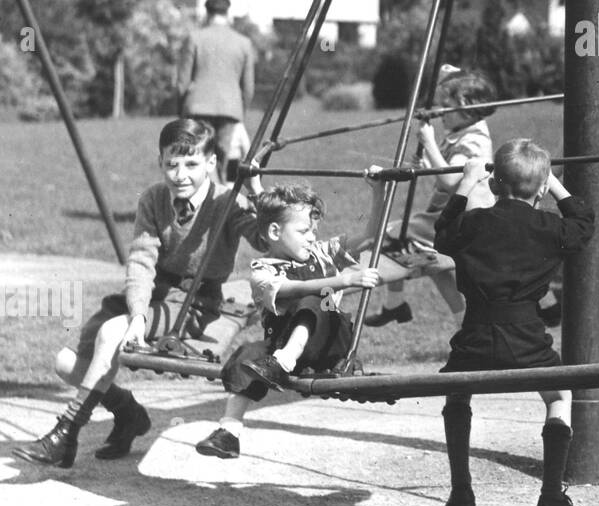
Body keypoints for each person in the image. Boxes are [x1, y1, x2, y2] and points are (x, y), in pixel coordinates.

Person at [12, 118, 264, 470]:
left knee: (111, 332)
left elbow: (266, 238)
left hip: (194, 301)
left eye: (191, 164)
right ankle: (129, 414)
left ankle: (66, 433)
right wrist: (139, 316)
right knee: (67, 364)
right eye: (171, 164)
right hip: (153, 292)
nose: (180, 175)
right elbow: (142, 261)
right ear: (160, 162)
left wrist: (255, 188)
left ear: (211, 162)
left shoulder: (227, 201)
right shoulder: (154, 198)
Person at [434, 140, 595, 506]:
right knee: (559, 396)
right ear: (539, 190)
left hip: (474, 338)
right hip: (527, 341)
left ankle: (460, 492)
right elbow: (584, 221)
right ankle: (552, 497)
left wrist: (467, 182)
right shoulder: (551, 228)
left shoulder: (472, 225)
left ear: (494, 184)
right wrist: (554, 183)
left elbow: (442, 232)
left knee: (457, 392)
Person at [196, 184, 381, 458]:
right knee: (247, 355)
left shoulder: (323, 253)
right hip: (283, 347)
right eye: (303, 231)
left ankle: (283, 361)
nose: (311, 238)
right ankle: (229, 431)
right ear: (274, 232)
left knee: (315, 296)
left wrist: (378, 193)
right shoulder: (262, 271)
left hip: (331, 342)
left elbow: (370, 236)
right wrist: (343, 280)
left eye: (313, 232)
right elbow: (288, 290)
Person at [367, 67, 497, 328]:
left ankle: (396, 303)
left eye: (445, 106)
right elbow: (443, 170)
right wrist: (426, 159)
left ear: (465, 107)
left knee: (390, 233)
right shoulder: (465, 130)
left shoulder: (475, 140)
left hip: (465, 219)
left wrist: (429, 144)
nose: (439, 113)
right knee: (432, 264)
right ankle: (460, 321)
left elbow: (450, 181)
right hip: (450, 215)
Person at [177, 0, 257, 184]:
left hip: (198, 107)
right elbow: (248, 87)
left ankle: (206, 203)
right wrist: (241, 112)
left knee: (199, 156)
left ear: (207, 13)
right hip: (230, 109)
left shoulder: (194, 38)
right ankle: (217, 201)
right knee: (220, 159)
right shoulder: (243, 42)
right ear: (227, 13)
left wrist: (180, 110)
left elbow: (182, 82)